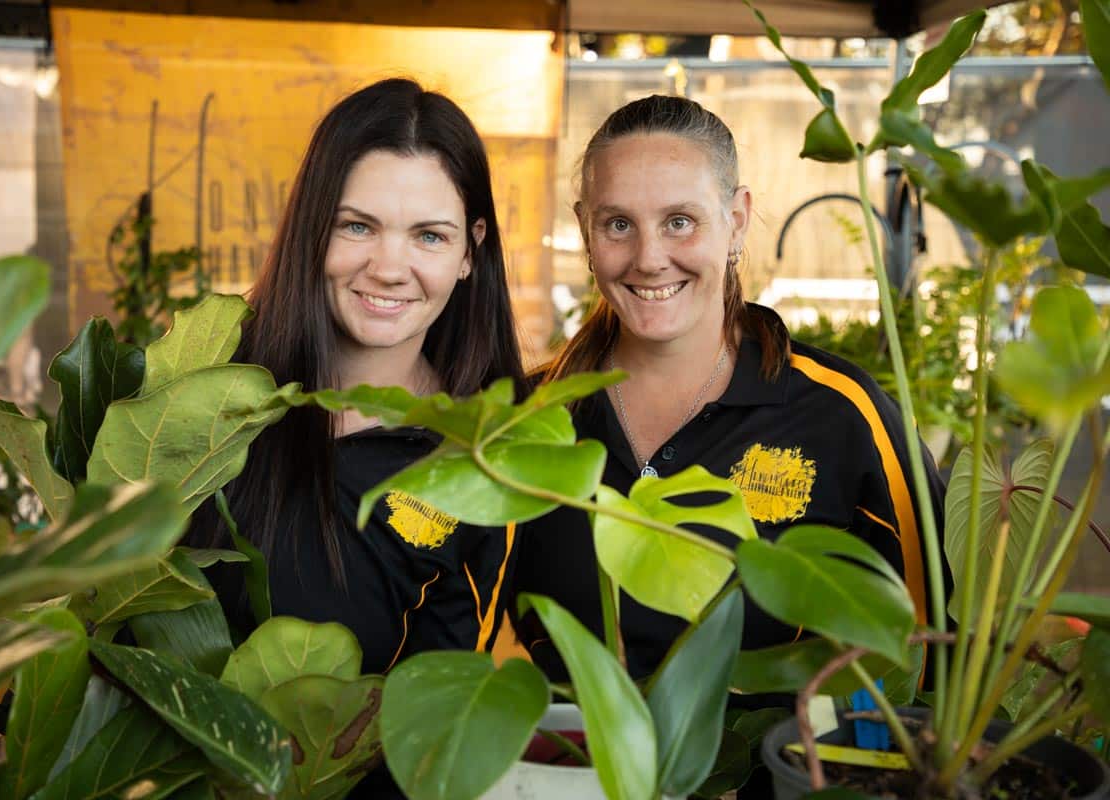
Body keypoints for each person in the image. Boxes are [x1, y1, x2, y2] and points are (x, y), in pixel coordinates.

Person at [511, 94, 946, 698]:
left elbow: (930, 653)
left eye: (679, 221)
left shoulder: (843, 415)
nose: (649, 258)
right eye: (618, 224)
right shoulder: (526, 417)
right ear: (585, 226)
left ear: (736, 219)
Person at [186, 78, 525, 679]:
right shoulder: (207, 383)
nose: (390, 269)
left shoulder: (484, 456)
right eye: (357, 227)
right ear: (313, 228)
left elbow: (432, 712)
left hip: (340, 775)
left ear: (470, 251)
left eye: (429, 236)